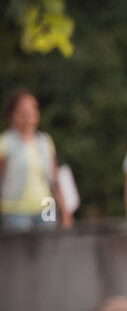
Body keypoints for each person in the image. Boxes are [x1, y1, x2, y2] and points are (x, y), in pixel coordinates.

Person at [0, 88, 72, 232]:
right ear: (14, 114)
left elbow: (54, 179)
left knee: (49, 250)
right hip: (16, 210)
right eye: (24, 111)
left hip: (46, 206)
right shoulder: (5, 143)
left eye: (32, 110)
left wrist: (65, 210)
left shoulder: (45, 141)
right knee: (19, 253)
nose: (29, 115)